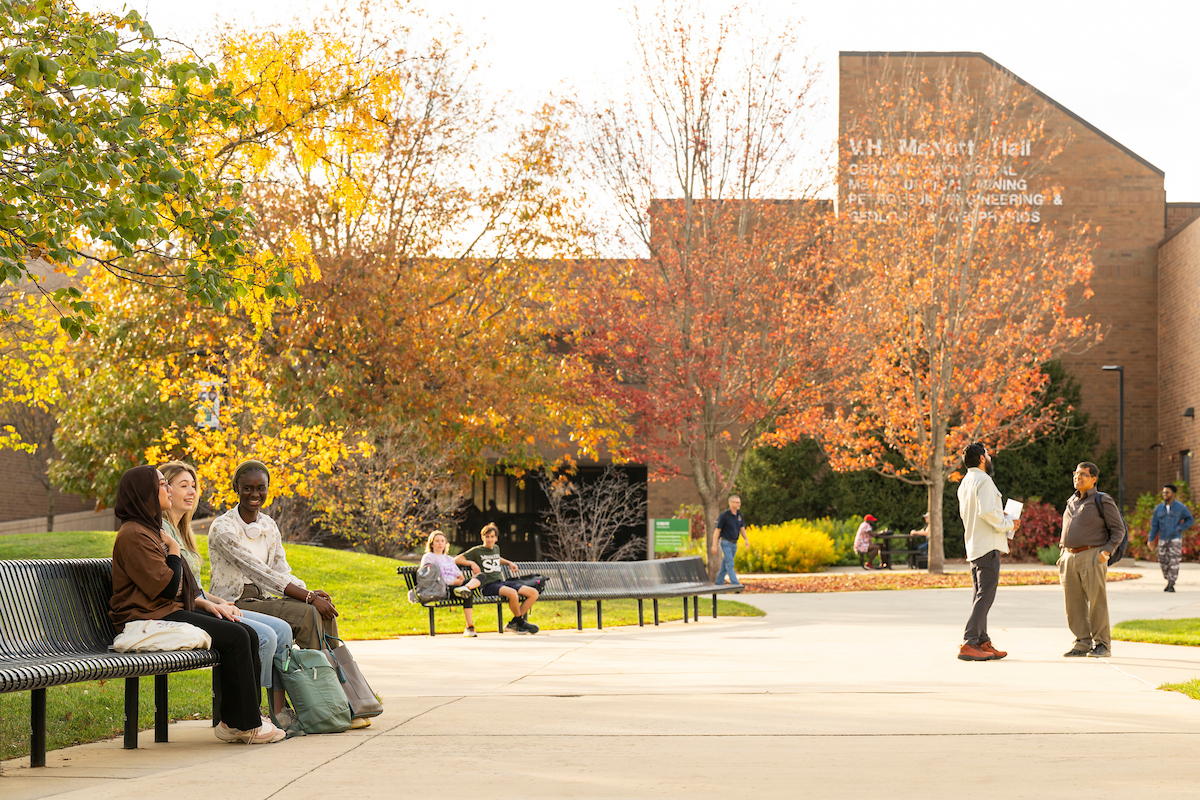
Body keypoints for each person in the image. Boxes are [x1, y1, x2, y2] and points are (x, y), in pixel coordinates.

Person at [108, 465, 284, 744]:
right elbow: (166, 588)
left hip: (167, 610)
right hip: (148, 617)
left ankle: (233, 722)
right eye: (163, 484)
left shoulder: (149, 531)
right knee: (237, 637)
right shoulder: (134, 534)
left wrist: (206, 605)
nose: (167, 489)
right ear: (145, 492)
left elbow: (177, 587)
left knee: (245, 633)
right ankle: (247, 724)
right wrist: (175, 552)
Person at [207, 459, 370, 728]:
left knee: (322, 612)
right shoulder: (223, 528)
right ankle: (325, 705)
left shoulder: (269, 526)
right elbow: (259, 572)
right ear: (236, 487)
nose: (255, 494)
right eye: (247, 488)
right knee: (308, 613)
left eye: (261, 488)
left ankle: (344, 699)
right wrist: (306, 598)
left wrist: (310, 592)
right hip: (236, 602)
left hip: (265, 598)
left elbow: (281, 569)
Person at [160, 461, 296, 728]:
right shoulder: (164, 533)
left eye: (194, 486)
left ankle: (280, 710)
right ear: (165, 490)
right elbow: (174, 589)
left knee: (281, 630)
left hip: (203, 604)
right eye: (183, 486)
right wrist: (211, 605)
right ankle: (250, 712)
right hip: (181, 611)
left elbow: (194, 585)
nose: (191, 492)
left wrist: (219, 602)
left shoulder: (183, 532)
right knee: (265, 635)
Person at [956, 443, 1017, 662]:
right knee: (985, 596)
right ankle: (970, 642)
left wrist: (998, 517)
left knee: (979, 595)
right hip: (987, 546)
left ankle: (982, 641)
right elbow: (987, 513)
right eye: (988, 455)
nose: (990, 458)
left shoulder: (965, 483)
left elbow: (976, 513)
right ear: (982, 458)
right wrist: (1009, 524)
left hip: (974, 545)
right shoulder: (984, 481)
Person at [1059, 461, 1126, 658]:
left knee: (1096, 602)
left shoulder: (1101, 499)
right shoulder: (1071, 501)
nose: (1077, 478)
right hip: (1069, 557)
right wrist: (1062, 554)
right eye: (1076, 474)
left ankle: (1102, 644)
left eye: (1083, 475)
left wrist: (1106, 552)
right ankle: (1082, 643)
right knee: (1073, 603)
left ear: (1094, 479)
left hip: (1092, 555)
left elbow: (1118, 529)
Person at [457, 522, 539, 634]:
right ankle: (520, 622)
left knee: (533, 593)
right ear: (482, 537)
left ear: (496, 538)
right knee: (512, 593)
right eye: (487, 537)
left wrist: (509, 563)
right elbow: (457, 559)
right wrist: (472, 563)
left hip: (501, 582)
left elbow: (497, 558)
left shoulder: (496, 548)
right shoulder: (477, 551)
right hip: (487, 585)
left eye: (492, 537)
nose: (489, 539)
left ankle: (515, 622)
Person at [418, 530, 481, 637]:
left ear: (446, 544)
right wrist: (453, 581)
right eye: (437, 541)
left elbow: (457, 572)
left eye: (442, 541)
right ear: (431, 544)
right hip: (442, 588)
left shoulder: (449, 558)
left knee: (481, 577)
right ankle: (469, 626)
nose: (440, 543)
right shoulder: (428, 557)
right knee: (467, 593)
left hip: (457, 587)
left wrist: (460, 577)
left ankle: (465, 588)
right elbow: (431, 578)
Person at [1148, 483, 1193, 593]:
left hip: (1175, 539)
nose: (1164, 494)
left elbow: (1190, 520)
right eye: (1163, 492)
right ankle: (1168, 578)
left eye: (1167, 492)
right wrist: (1151, 539)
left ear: (1173, 493)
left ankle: (1171, 583)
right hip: (1163, 538)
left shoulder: (1181, 507)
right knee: (1163, 561)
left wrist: (1179, 528)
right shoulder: (1159, 509)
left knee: (1174, 561)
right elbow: (1154, 525)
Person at [712, 494, 749, 585]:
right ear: (730, 503)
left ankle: (718, 584)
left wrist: (746, 539)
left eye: (739, 502)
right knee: (730, 564)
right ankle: (735, 584)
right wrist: (714, 545)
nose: (739, 504)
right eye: (736, 502)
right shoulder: (725, 515)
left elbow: (742, 529)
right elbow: (717, 531)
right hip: (725, 543)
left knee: (725, 565)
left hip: (734, 544)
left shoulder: (740, 515)